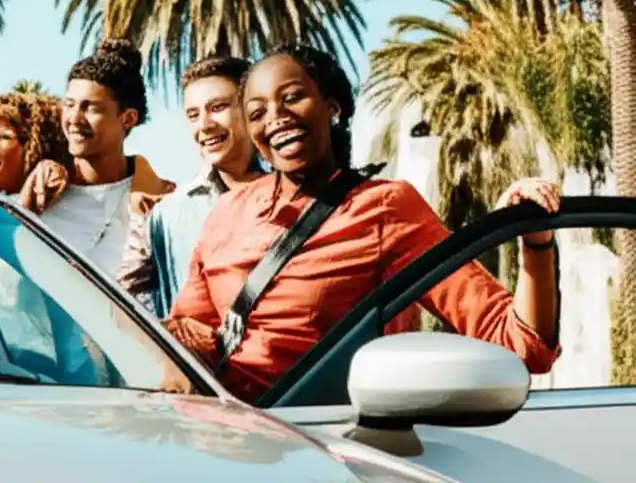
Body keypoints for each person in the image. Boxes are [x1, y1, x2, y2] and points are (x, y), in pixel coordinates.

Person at [164, 44, 562, 403]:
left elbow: (521, 345)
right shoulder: (226, 213)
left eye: (293, 98)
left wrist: (534, 241)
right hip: (224, 438)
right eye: (257, 112)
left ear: (332, 106)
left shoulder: (386, 208)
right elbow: (189, 331)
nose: (276, 118)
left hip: (320, 443)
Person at [117, 56, 265, 317]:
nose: (205, 126)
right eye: (193, 115)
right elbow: (117, 300)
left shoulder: (295, 195)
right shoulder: (160, 216)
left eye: (217, 107)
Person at [28, 39, 173, 277]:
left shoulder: (161, 203)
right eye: (69, 105)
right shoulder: (40, 193)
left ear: (128, 118)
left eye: (91, 108)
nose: (74, 118)